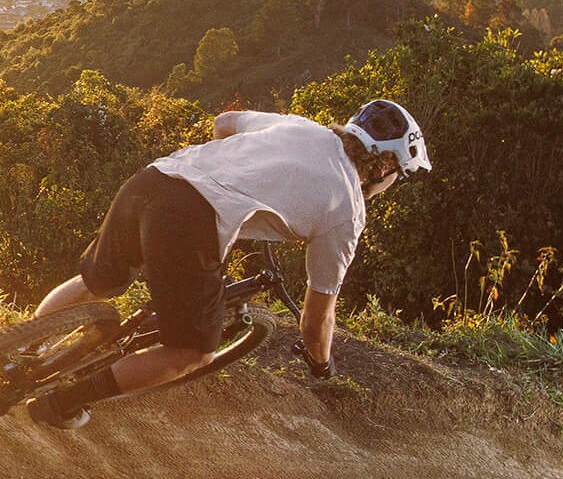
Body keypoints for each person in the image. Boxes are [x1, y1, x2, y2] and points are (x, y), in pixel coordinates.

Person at [27, 98, 430, 428]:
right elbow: (315, 321)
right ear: (383, 166)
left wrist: (230, 174)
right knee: (190, 354)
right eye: (399, 174)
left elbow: (225, 122)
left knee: (98, 282)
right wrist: (322, 366)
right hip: (189, 221)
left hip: (157, 177)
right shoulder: (348, 210)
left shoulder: (304, 128)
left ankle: (17, 354)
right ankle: (64, 403)